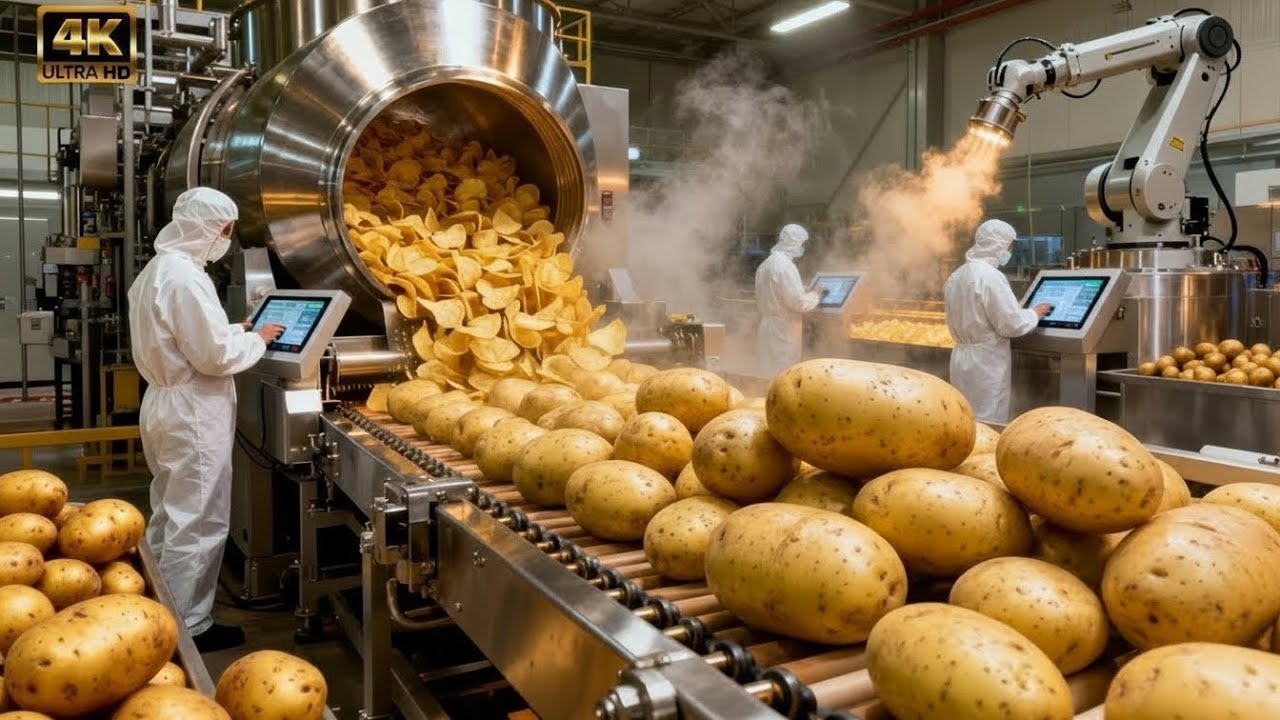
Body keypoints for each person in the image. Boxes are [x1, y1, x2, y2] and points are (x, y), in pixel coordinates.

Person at [128, 187, 285, 653]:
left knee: (170, 510)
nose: (226, 239)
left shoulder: (158, 272)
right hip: (194, 411)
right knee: (198, 519)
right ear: (206, 228)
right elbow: (214, 357)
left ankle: (159, 606)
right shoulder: (187, 279)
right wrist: (259, 340)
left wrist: (239, 329)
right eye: (224, 229)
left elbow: (184, 337)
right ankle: (189, 627)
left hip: (164, 402)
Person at [943, 219, 1052, 423]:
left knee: (964, 416)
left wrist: (1016, 308)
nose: (1010, 250)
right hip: (986, 362)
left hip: (961, 358)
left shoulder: (957, 275)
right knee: (988, 419)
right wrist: (1034, 313)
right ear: (1000, 244)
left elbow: (980, 313)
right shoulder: (990, 276)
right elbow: (1012, 325)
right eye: (1010, 245)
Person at [755, 223, 829, 378]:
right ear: (794, 243)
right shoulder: (786, 266)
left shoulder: (765, 265)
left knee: (766, 372)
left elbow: (778, 292)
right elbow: (798, 303)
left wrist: (804, 290)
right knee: (783, 375)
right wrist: (816, 294)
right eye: (802, 244)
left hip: (767, 327)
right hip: (783, 331)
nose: (802, 248)